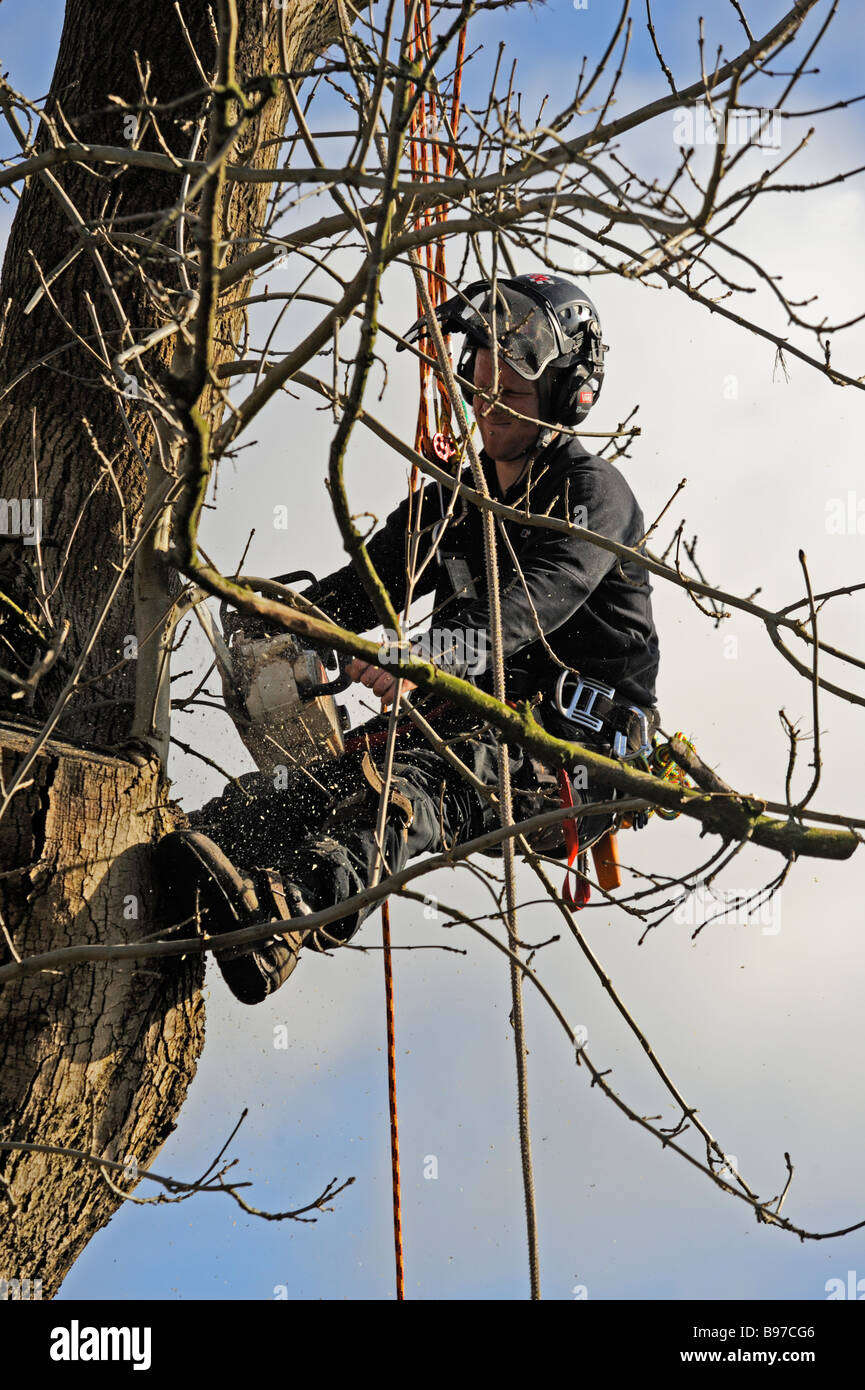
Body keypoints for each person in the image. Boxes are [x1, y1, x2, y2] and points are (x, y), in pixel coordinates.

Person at [157, 273, 661, 1004]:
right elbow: (361, 589)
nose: (489, 409)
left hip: (572, 748)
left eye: (512, 396)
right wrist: (276, 619)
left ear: (563, 398)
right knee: (273, 804)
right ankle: (190, 879)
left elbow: (536, 599)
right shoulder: (453, 503)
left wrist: (435, 659)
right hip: (461, 715)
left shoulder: (591, 497)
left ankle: (290, 915)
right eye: (482, 388)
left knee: (410, 786)